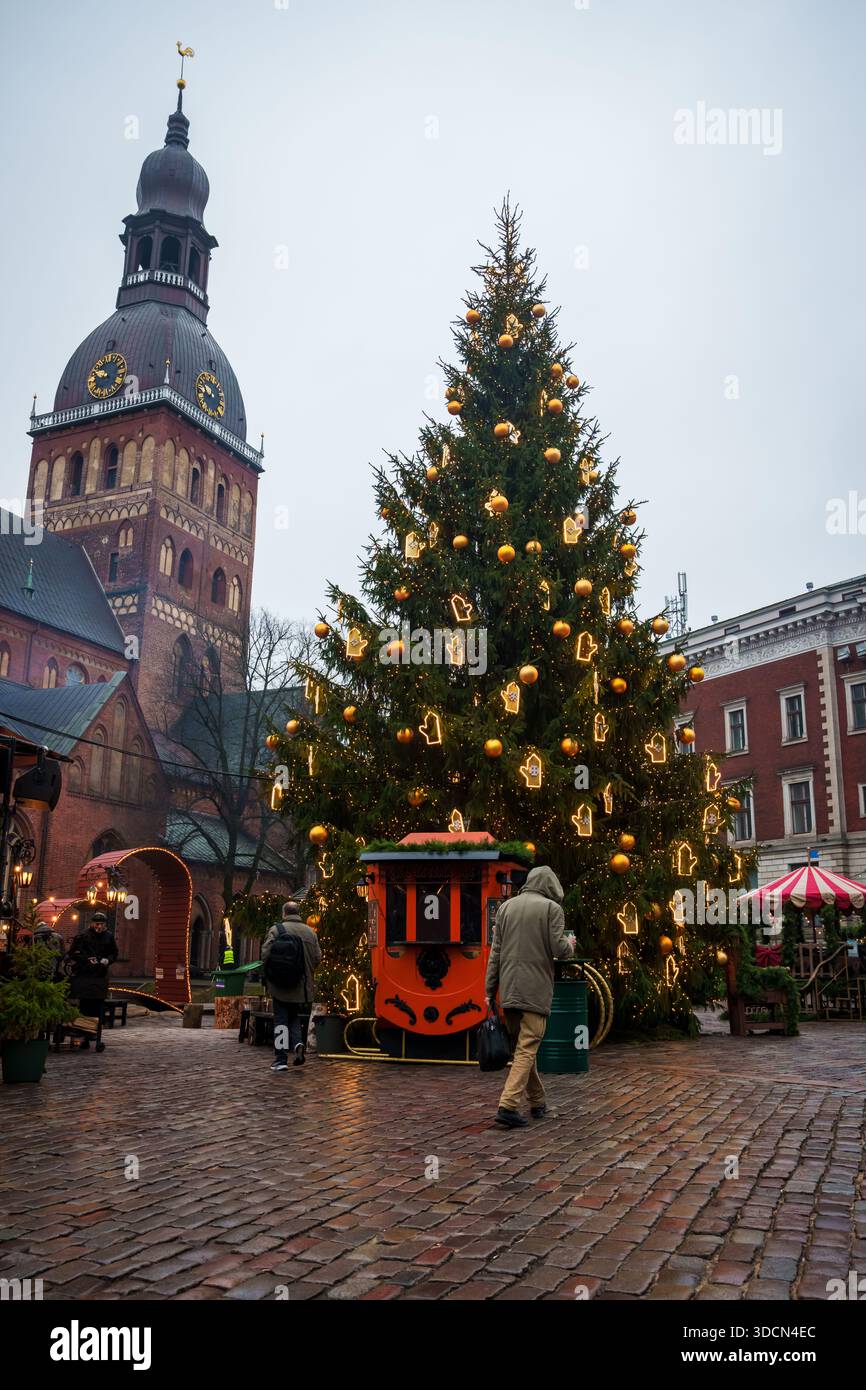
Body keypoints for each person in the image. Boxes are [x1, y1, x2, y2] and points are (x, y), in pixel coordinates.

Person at [485, 865, 575, 1129]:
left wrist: (489, 990)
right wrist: (570, 945)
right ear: (551, 886)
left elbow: (496, 953)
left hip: (509, 990)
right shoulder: (552, 909)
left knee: (524, 1048)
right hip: (535, 990)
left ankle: (538, 1102)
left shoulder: (506, 908)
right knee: (527, 1049)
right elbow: (559, 949)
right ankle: (508, 1105)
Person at [261, 900, 321, 1073]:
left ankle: (280, 1059)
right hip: (301, 986)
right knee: (294, 1015)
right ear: (298, 913)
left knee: (280, 1020)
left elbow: (265, 954)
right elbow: (318, 957)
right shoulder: (311, 933)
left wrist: (269, 974)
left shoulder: (277, 930)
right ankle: (297, 1043)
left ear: (284, 913)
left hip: (280, 984)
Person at [66, 912, 118, 1018]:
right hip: (86, 973)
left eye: (101, 924)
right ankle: (85, 1022)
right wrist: (86, 959)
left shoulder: (109, 936)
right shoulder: (83, 935)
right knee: (85, 1000)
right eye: (97, 924)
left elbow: (114, 953)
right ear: (92, 923)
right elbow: (72, 953)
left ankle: (97, 1023)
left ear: (105, 925)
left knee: (99, 999)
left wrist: (108, 960)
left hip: (101, 973)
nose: (99, 926)